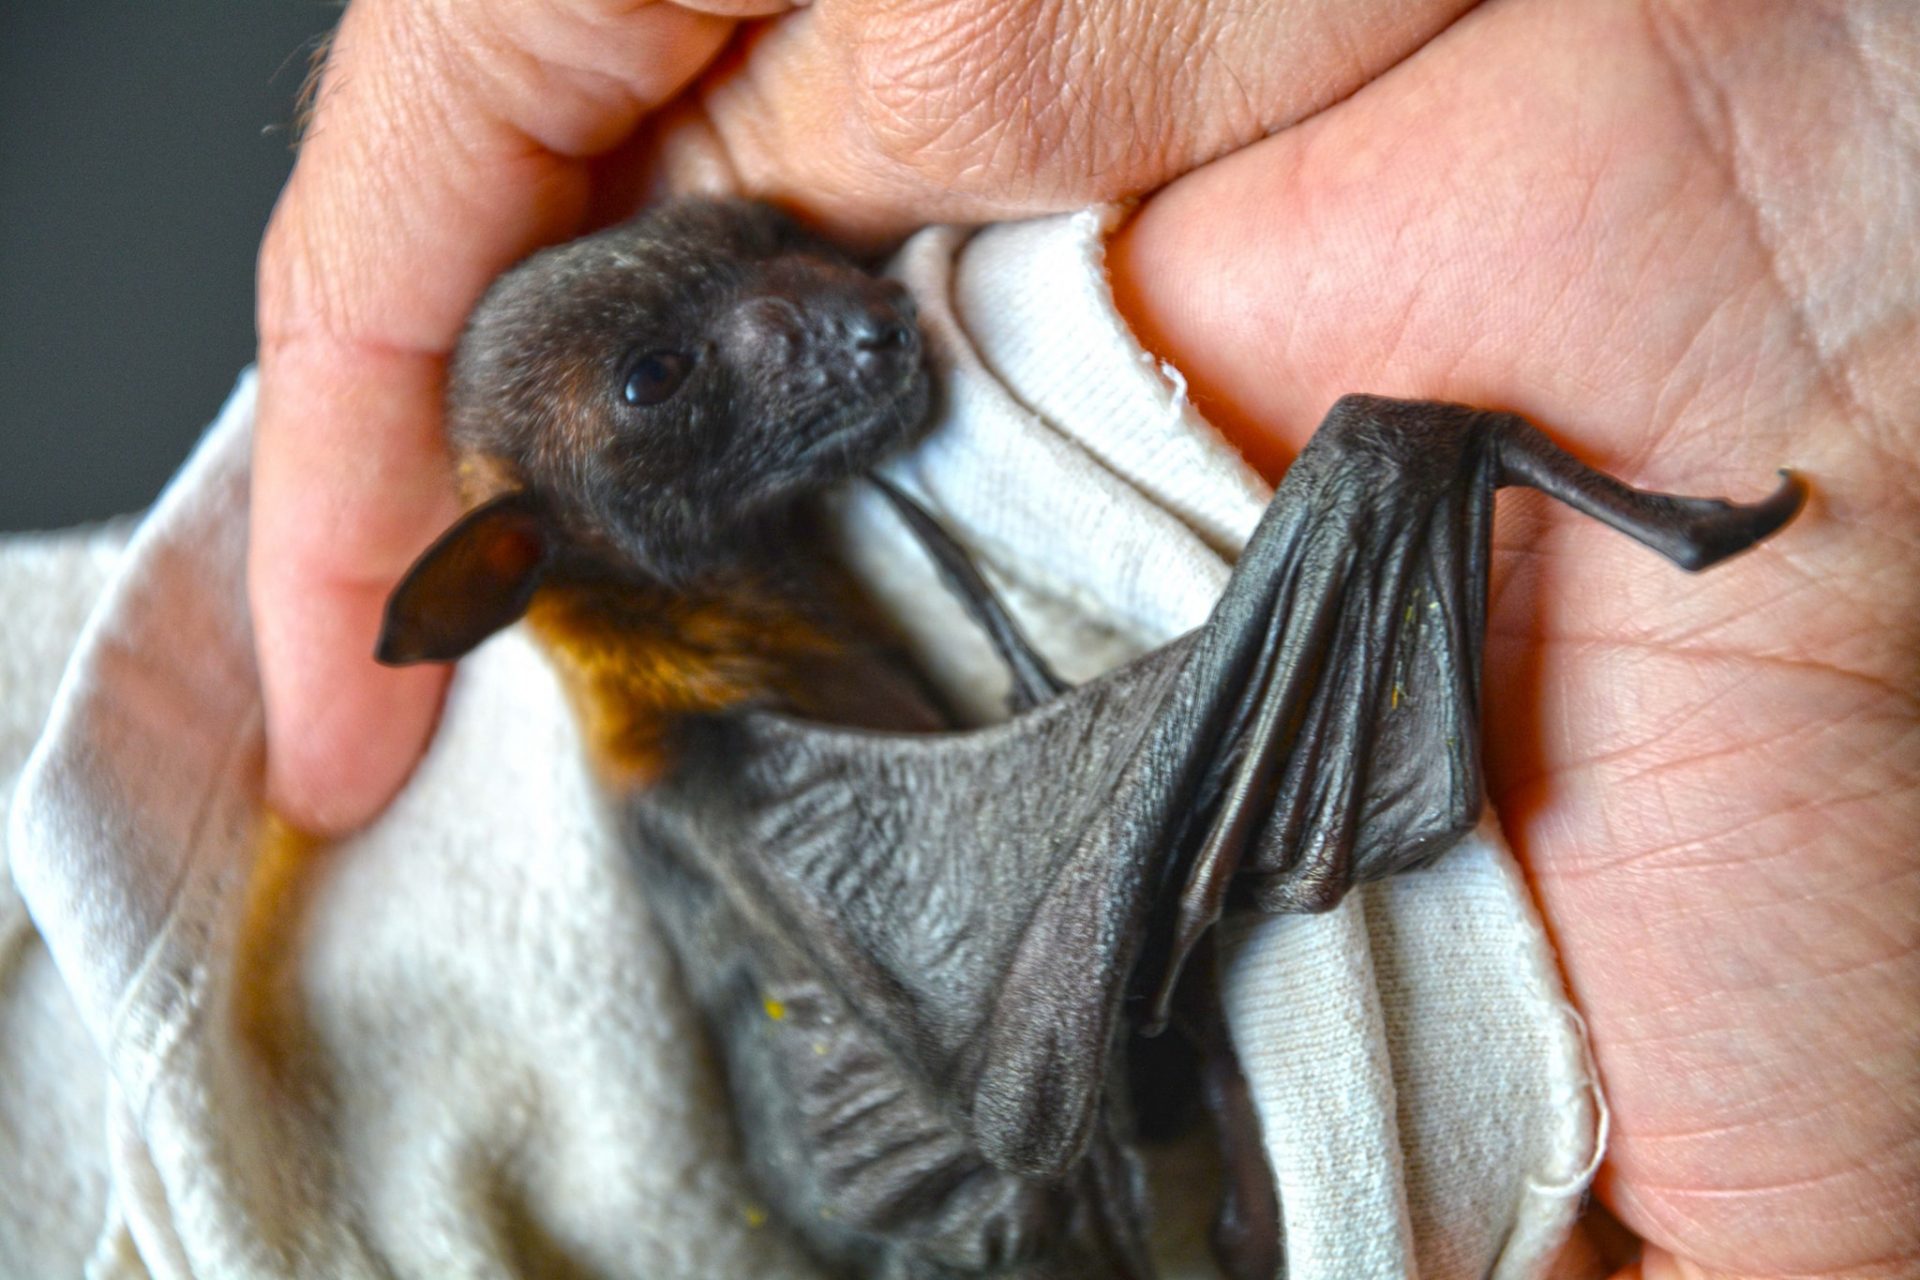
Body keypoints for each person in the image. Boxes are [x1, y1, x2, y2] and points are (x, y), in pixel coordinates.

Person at [252, 1, 1920, 1275]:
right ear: (526, 559)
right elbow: (983, 1045)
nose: (801, 319)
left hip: (1076, 1090)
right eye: (665, 383)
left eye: (760, 263)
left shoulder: (809, 654)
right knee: (1373, 482)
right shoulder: (721, 781)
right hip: (989, 1207)